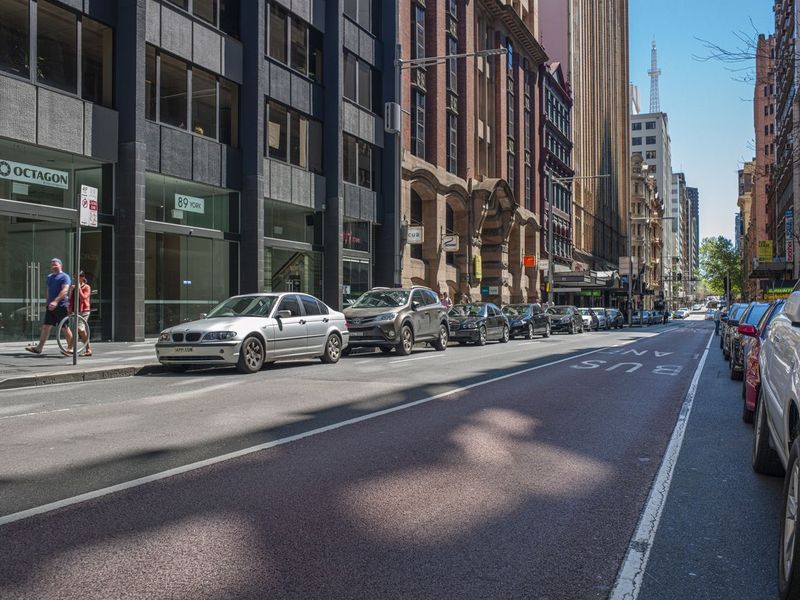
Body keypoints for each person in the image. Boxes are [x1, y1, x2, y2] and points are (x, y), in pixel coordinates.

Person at [26, 258, 72, 355]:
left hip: (61, 306)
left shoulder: (65, 277)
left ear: (61, 266)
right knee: (46, 327)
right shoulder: (50, 277)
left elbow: (65, 290)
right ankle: (39, 348)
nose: (54, 267)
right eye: (52, 265)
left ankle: (71, 348)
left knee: (64, 327)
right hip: (50, 307)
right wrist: (47, 303)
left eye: (56, 265)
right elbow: (48, 290)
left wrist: (55, 301)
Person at [66, 271, 92, 356]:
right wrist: (69, 309)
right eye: (74, 277)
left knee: (78, 329)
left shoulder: (87, 287)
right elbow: (70, 299)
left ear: (82, 278)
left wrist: (79, 288)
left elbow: (83, 298)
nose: (75, 279)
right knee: (81, 330)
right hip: (76, 311)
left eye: (77, 277)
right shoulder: (73, 287)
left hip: (84, 311)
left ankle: (70, 348)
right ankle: (88, 350)